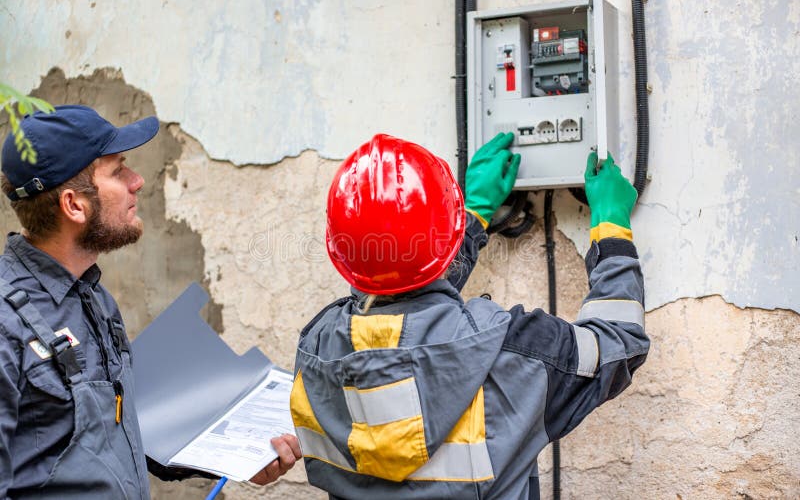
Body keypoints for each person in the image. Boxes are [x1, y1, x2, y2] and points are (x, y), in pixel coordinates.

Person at [290, 133, 649, 499]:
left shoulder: (316, 349)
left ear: (340, 250)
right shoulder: (513, 351)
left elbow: (410, 315)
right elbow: (619, 342)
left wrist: (473, 217)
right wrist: (611, 224)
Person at [0, 105, 300, 498]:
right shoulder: (8, 321)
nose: (137, 181)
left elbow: (117, 435)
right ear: (74, 205)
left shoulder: (95, 300)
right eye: (118, 170)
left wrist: (236, 458)